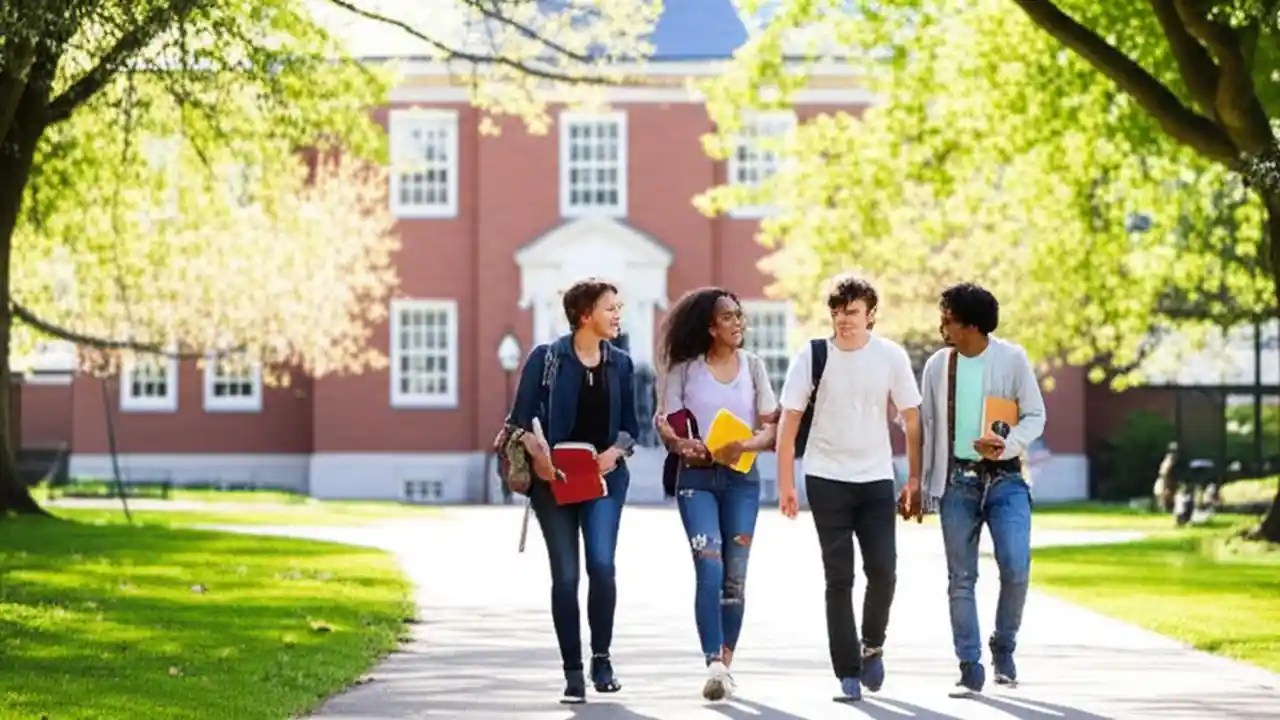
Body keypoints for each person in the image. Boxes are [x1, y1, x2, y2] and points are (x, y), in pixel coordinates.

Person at [775, 274, 923, 702]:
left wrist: (913, 478)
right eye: (837, 312)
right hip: (826, 477)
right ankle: (847, 672)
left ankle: (872, 644)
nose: (844, 320)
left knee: (883, 570)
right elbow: (790, 420)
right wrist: (787, 483)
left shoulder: (890, 356)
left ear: (871, 314)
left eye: (853, 312)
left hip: (876, 477)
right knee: (838, 576)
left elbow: (911, 418)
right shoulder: (814, 355)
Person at [507, 277, 640, 704]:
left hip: (604, 480)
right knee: (565, 577)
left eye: (619, 307)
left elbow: (631, 430)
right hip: (553, 482)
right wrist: (538, 455)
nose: (618, 315)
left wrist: (614, 454)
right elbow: (519, 421)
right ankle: (573, 672)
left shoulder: (622, 364)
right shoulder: (545, 359)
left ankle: (601, 658)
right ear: (585, 316)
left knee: (601, 565)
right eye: (610, 308)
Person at [910, 282, 1045, 697]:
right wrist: (918, 482)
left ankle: (1003, 646)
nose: (942, 325)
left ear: (970, 324)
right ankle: (969, 665)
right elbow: (925, 427)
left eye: (948, 318)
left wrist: (1009, 443)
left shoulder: (1011, 359)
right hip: (957, 482)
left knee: (1016, 567)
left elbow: (1035, 415)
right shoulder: (938, 365)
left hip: (1005, 478)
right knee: (961, 578)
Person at [654, 287, 779, 701]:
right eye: (728, 317)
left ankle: (726, 663)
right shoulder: (684, 371)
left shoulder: (754, 367)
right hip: (697, 479)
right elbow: (667, 422)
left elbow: (771, 428)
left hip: (741, 481)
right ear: (709, 327)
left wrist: (745, 445)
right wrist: (679, 444)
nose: (737, 323)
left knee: (734, 577)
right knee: (709, 564)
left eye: (740, 316)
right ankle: (713, 662)